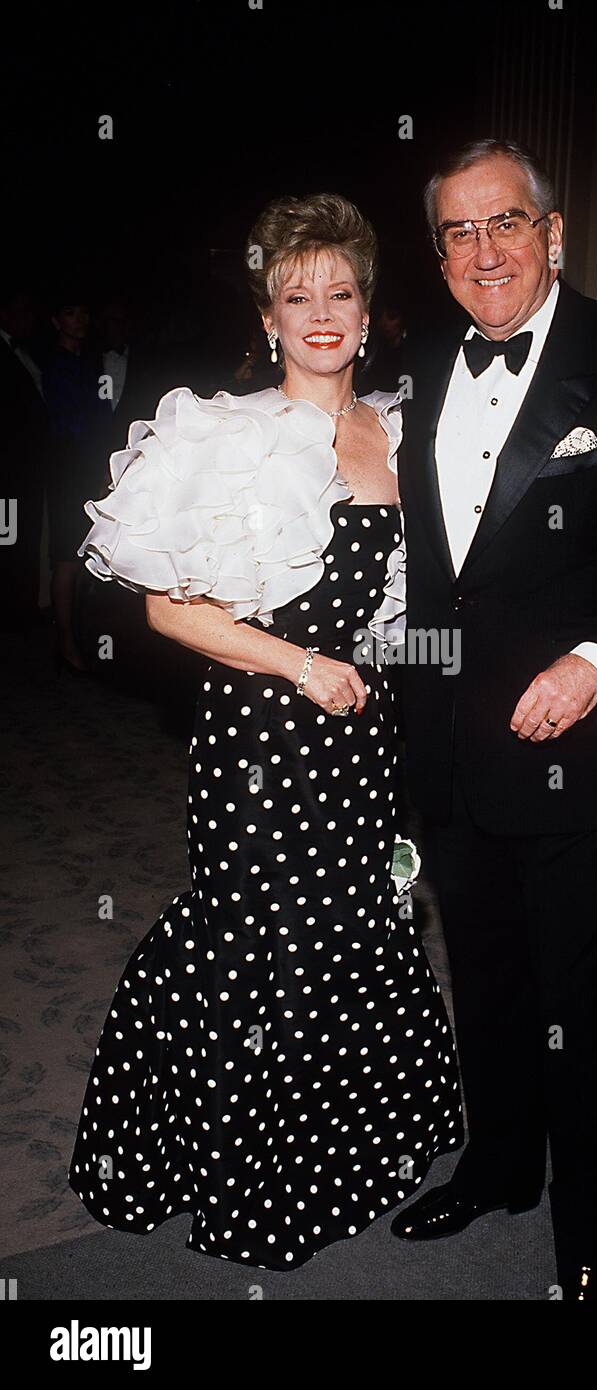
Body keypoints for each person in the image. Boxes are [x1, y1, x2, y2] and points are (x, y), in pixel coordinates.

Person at [68, 193, 463, 1271]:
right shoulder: (226, 433)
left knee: (355, 928)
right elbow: (163, 606)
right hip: (259, 733)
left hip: (360, 737)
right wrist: (299, 665)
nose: (321, 313)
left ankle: (350, 1143)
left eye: (340, 291)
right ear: (267, 315)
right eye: (299, 296)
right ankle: (228, 1166)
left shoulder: (395, 425)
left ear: (370, 306)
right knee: (253, 937)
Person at [391, 139, 597, 1298]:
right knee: (481, 977)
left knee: (576, 1002)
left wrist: (594, 664)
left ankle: (594, 1235)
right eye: (458, 233)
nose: (484, 251)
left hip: (577, 749)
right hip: (443, 745)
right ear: (436, 258)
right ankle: (497, 1168)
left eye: (505, 224)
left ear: (553, 231)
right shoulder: (420, 362)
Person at [42, 290, 111, 672]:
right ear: (56, 321)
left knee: (93, 552)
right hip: (69, 468)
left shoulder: (91, 361)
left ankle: (82, 637)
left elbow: (102, 416)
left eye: (83, 311)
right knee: (67, 556)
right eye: (70, 312)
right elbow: (68, 424)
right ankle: (65, 641)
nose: (79, 319)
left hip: (94, 466)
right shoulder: (55, 363)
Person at [0, 284, 50, 633]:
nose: (27, 319)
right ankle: (11, 611)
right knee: (8, 536)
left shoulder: (28, 351)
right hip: (9, 471)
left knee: (24, 536)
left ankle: (21, 608)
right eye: (20, 312)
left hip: (29, 469)